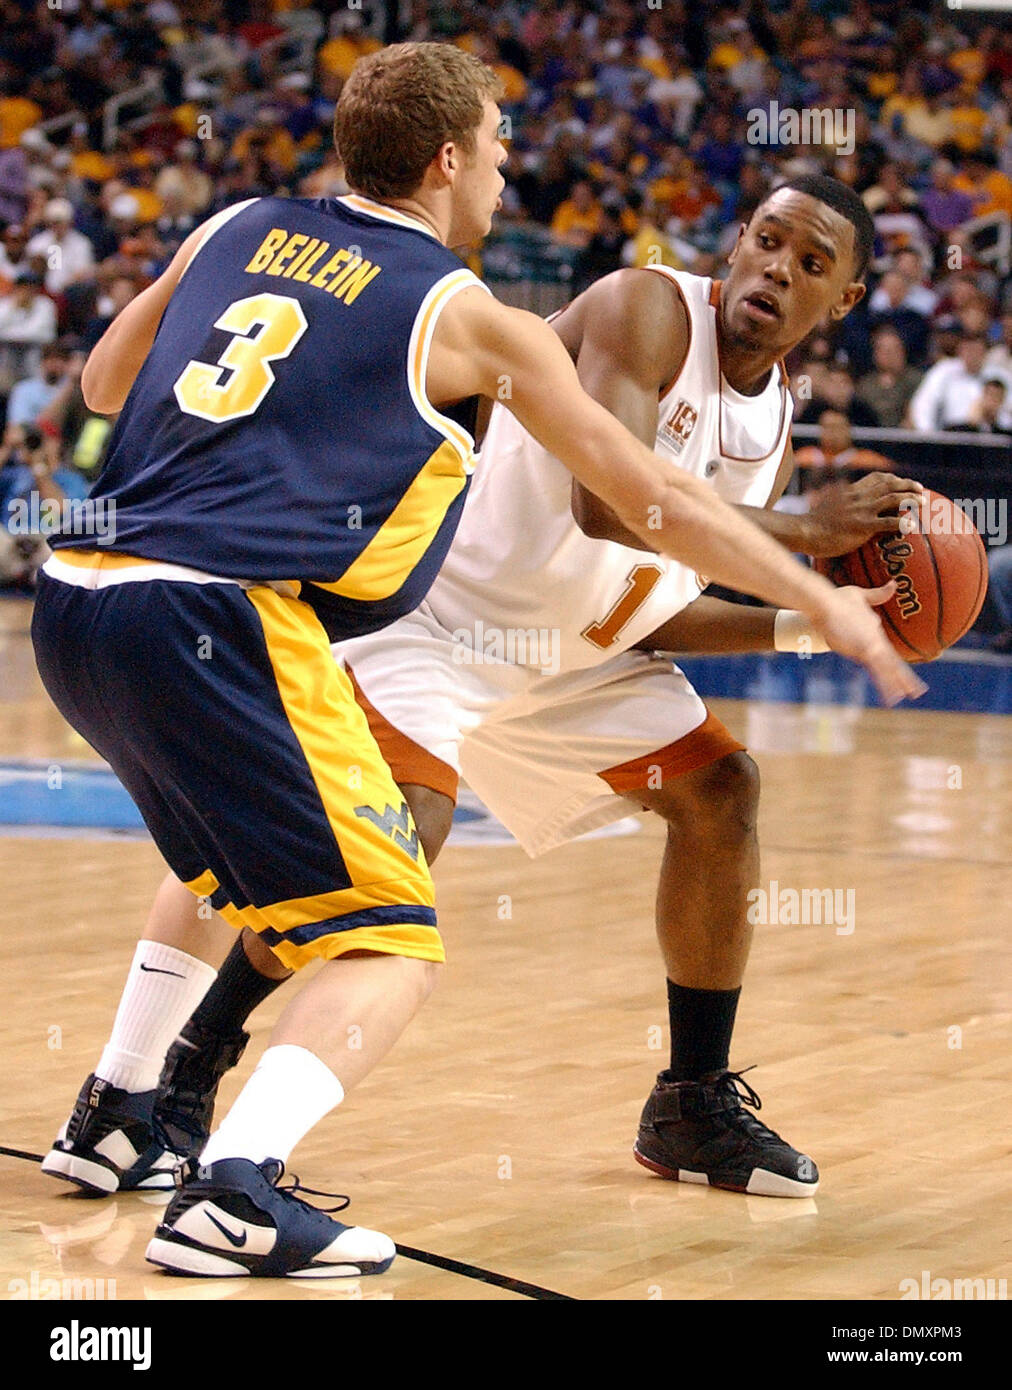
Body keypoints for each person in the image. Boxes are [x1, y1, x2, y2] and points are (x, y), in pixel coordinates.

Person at [78, 175, 924, 1224]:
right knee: (399, 840)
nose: (773, 272)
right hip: (437, 621)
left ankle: (690, 1100)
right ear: (735, 239)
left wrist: (820, 624)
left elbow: (646, 606)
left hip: (568, 665)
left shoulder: (773, 420)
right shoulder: (644, 305)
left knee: (721, 792)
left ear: (842, 302)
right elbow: (613, 503)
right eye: (765, 240)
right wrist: (802, 534)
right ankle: (196, 1065)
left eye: (809, 265)